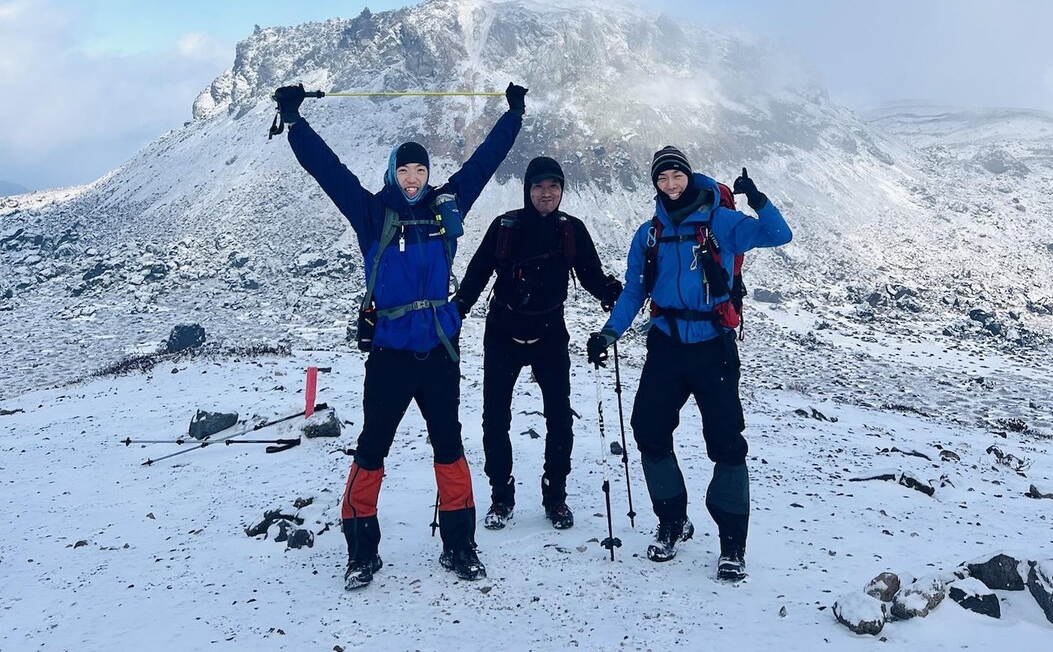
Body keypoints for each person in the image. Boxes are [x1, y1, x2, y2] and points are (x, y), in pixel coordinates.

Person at [272, 80, 527, 589]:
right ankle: (361, 554)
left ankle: (459, 546)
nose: (413, 179)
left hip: (438, 351)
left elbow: (485, 161)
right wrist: (295, 122)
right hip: (390, 352)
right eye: (405, 170)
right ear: (392, 171)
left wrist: (513, 116)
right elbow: (328, 171)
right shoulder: (372, 213)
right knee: (372, 448)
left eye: (421, 171)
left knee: (449, 447)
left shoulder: (445, 207)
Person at [587, 146, 792, 583]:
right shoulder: (649, 234)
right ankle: (672, 521)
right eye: (662, 178)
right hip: (666, 344)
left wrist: (757, 198)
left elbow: (779, 234)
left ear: (688, 175)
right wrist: (609, 332)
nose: (671, 185)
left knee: (726, 442)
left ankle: (732, 544)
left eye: (676, 175)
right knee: (649, 430)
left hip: (712, 344)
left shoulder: (721, 222)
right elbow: (634, 291)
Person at [455, 155, 622, 531]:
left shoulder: (571, 230)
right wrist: (458, 309)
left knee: (560, 418)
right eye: (538, 186)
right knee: (495, 418)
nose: (546, 193)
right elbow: (478, 272)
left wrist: (611, 292)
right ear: (527, 189)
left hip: (550, 335)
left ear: (562, 190)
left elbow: (591, 275)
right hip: (503, 333)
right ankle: (501, 495)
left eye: (553, 186)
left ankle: (555, 495)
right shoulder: (505, 227)